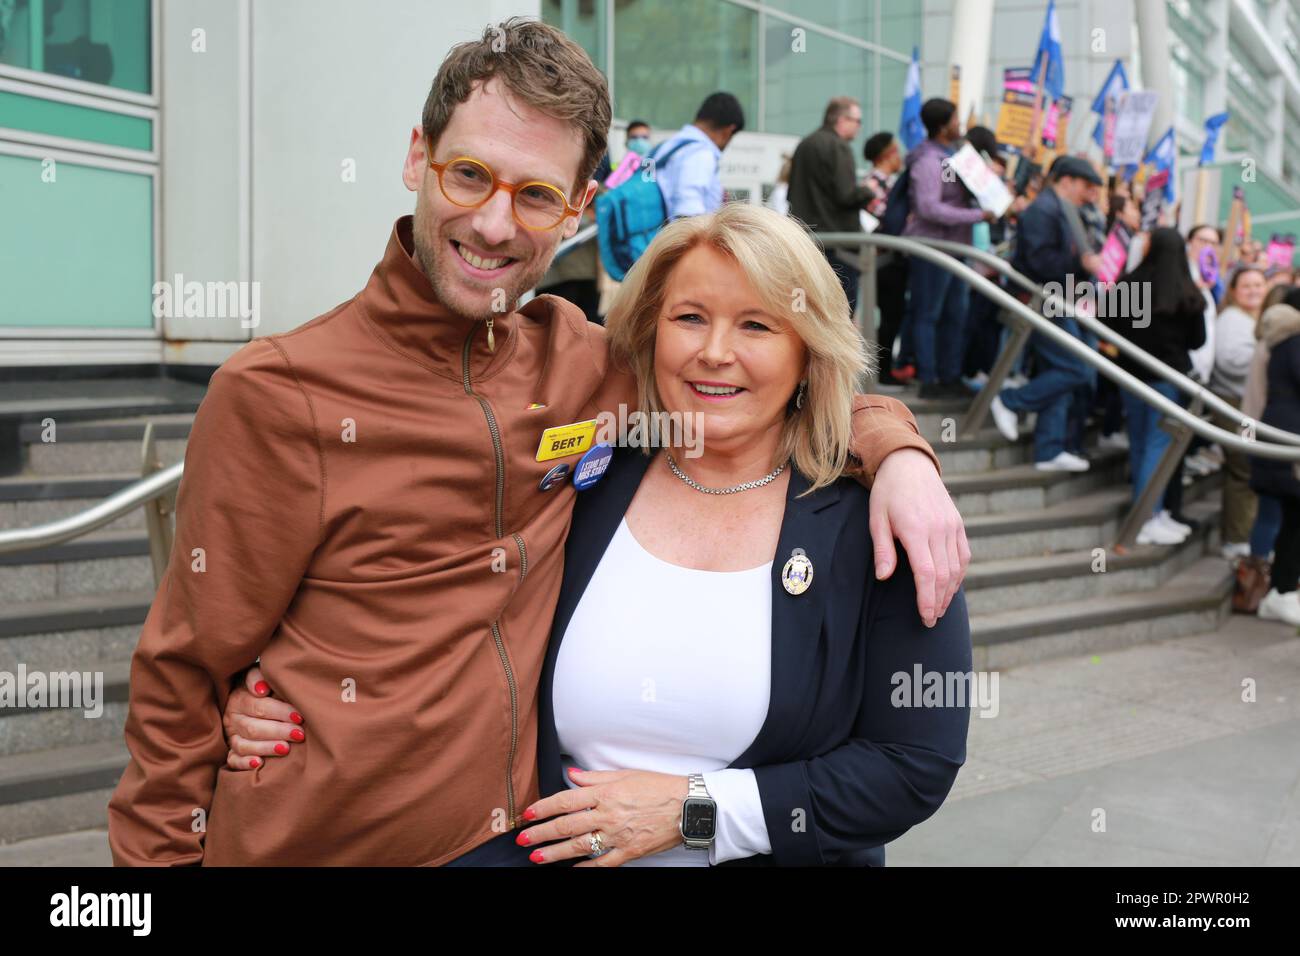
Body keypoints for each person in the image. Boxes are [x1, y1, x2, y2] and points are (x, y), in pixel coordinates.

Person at [106, 19, 968, 867]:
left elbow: (752, 386)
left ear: (577, 208)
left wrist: (898, 452)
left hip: (512, 845)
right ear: (418, 157)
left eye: (535, 195)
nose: (492, 224)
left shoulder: (586, 362)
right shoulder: (276, 394)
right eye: (470, 174)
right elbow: (182, 678)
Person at [222, 205, 974, 867]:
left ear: (808, 350)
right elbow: (409, 564)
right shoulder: (587, 471)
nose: (715, 351)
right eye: (690, 318)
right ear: (649, 333)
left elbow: (912, 765)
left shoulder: (880, 521)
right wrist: (272, 686)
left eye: (757, 325)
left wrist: (692, 814)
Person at [988, 157, 1102, 472]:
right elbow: (1040, 262)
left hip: (1060, 300)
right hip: (1042, 301)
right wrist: (1083, 265)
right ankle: (1011, 400)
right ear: (1066, 180)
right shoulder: (1043, 211)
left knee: (1061, 369)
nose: (1090, 194)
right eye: (1086, 186)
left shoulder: (1064, 210)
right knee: (1075, 369)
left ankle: (1049, 449)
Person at [1103, 228, 1208, 546]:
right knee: (1157, 449)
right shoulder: (1186, 291)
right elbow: (1197, 340)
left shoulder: (1128, 284)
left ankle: (1150, 513)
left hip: (1131, 378)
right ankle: (1148, 517)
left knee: (1140, 443)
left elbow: (1107, 324)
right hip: (1167, 380)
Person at [902, 98, 996, 399]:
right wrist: (978, 215)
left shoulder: (953, 156)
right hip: (933, 249)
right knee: (929, 313)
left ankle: (949, 375)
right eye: (956, 120)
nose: (961, 125)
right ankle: (929, 379)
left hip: (955, 247)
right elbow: (929, 207)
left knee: (956, 313)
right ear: (943, 126)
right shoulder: (929, 161)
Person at [787, 96, 875, 314]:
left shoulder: (805, 144)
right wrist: (868, 189)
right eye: (857, 121)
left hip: (806, 242)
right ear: (842, 120)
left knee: (809, 312)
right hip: (839, 244)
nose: (859, 127)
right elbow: (846, 195)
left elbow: (793, 192)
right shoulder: (839, 147)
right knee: (840, 315)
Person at [1250, 286, 1300, 626]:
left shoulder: (1279, 341)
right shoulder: (1292, 343)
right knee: (1293, 520)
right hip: (1287, 440)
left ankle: (1280, 589)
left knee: (1289, 519)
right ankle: (1280, 590)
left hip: (1278, 436)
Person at [1211, 265, 1268, 558]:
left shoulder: (1253, 318)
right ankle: (1235, 537)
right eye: (1247, 285)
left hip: (1246, 405)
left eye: (1259, 285)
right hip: (1234, 405)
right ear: (1233, 290)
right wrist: (1265, 358)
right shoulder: (1232, 320)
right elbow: (1230, 362)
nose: (1254, 290)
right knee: (1243, 467)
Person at [862, 131, 910, 386]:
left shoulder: (891, 184)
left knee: (894, 315)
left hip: (893, 259)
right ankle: (881, 371)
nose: (899, 156)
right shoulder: (872, 185)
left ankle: (884, 368)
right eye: (896, 150)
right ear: (887, 154)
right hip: (882, 260)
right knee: (889, 315)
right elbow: (881, 221)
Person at [653, 91, 744, 219]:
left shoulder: (665, 147)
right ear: (729, 130)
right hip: (675, 237)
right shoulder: (701, 153)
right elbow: (688, 212)